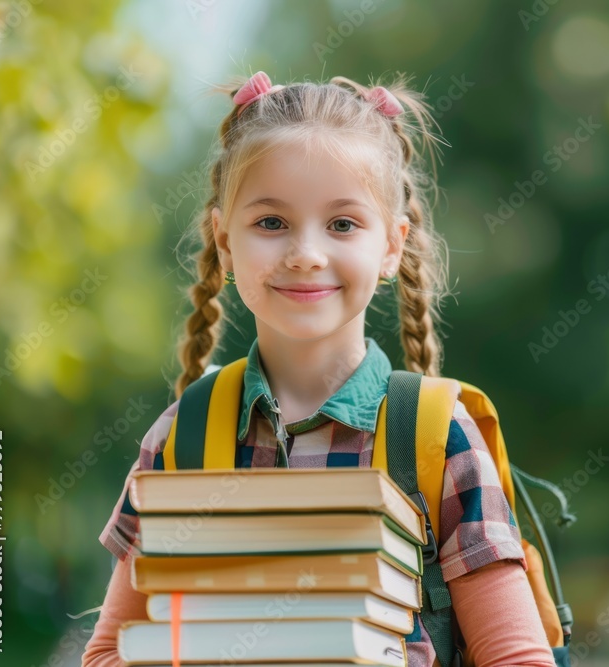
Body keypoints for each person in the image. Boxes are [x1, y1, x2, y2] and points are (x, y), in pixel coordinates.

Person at [80, 71, 556, 667]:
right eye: (271, 223)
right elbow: (107, 654)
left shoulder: (441, 439)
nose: (306, 254)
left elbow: (517, 659)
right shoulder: (183, 436)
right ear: (225, 243)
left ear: (391, 247)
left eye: (342, 224)